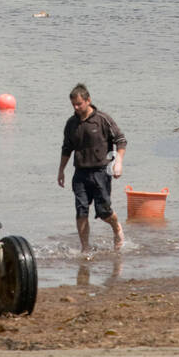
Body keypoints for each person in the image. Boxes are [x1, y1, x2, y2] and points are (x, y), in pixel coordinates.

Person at [57, 82, 127, 252]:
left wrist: (118, 162)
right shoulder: (71, 123)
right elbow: (67, 148)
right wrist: (61, 170)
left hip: (101, 171)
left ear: (88, 100)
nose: (76, 107)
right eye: (73, 104)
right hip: (80, 173)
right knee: (81, 211)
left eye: (79, 104)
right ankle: (85, 248)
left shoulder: (102, 119)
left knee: (104, 212)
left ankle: (116, 227)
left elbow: (121, 140)